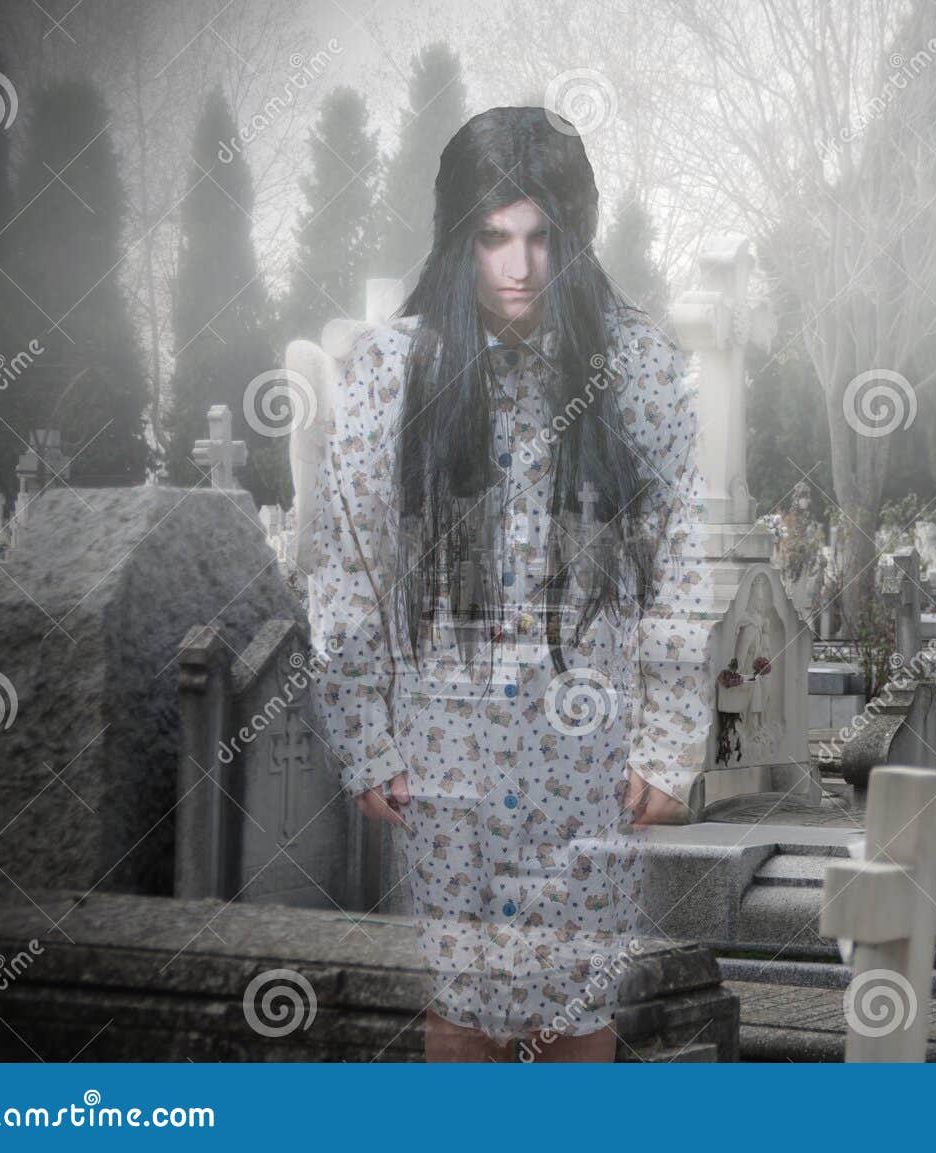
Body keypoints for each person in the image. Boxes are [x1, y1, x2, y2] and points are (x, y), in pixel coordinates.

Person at [304, 105, 714, 1062]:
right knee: (463, 1004)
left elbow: (678, 562)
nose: (518, 266)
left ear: (573, 238)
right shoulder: (390, 375)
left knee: (578, 1005)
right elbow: (349, 566)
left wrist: (666, 738)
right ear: (459, 239)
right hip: (447, 747)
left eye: (540, 237)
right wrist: (364, 735)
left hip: (588, 745)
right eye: (493, 237)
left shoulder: (638, 367)